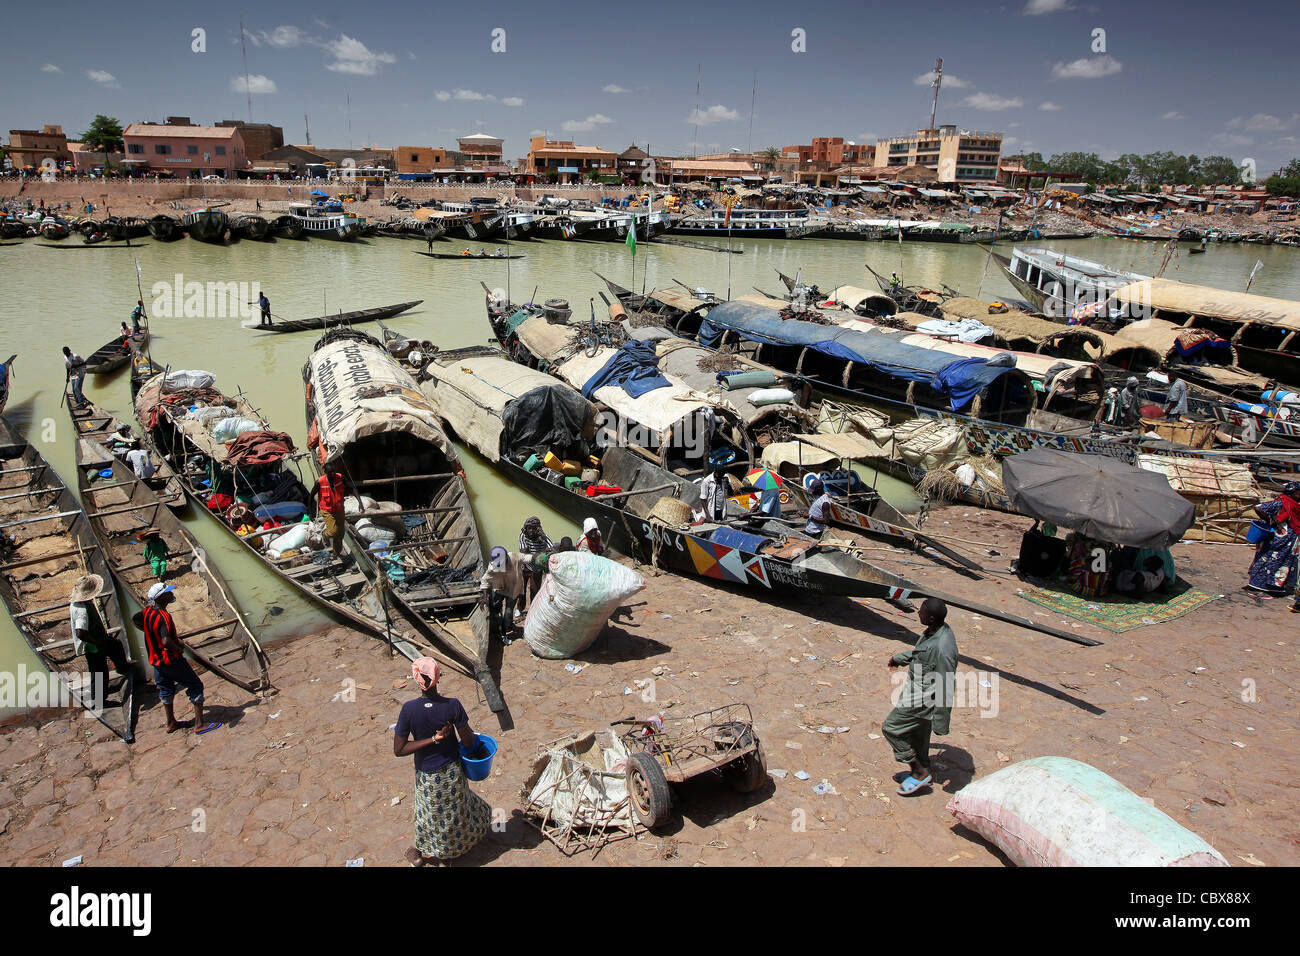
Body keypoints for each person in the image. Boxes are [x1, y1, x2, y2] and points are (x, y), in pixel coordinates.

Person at [393, 657, 491, 866]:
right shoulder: (452, 706)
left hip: (427, 777)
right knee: (457, 810)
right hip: (452, 772)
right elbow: (467, 739)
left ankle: (421, 853)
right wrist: (475, 742)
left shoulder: (409, 710)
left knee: (429, 815)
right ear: (438, 678)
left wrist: (429, 740)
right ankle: (458, 847)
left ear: (416, 679)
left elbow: (399, 750)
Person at [883, 597, 958, 797]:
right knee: (919, 734)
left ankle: (918, 771)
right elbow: (922, 653)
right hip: (917, 690)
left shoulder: (943, 648)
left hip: (923, 698)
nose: (918, 613)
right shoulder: (935, 631)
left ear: (931, 618)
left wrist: (942, 720)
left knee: (891, 728)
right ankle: (922, 769)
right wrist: (900, 658)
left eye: (922, 612)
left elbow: (947, 683)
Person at [140, 583, 219, 734]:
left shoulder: (147, 612)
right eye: (168, 593)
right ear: (162, 597)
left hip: (156, 661)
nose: (172, 594)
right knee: (196, 686)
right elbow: (165, 641)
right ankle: (199, 724)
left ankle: (171, 722)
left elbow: (136, 620)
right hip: (170, 660)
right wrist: (178, 648)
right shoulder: (164, 616)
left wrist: (152, 634)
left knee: (166, 688)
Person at [68, 574, 129, 714]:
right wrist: (97, 642)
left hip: (99, 638)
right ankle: (99, 702)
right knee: (99, 672)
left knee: (116, 646)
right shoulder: (81, 610)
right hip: (92, 645)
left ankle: (123, 669)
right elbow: (80, 633)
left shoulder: (82, 604)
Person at [1247, 482, 1300, 595]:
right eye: (1298, 493)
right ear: (1292, 493)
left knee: (1273, 559)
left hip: (1286, 537)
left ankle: (1263, 584)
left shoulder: (1292, 503)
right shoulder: (1283, 502)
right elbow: (1260, 508)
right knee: (1274, 560)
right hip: (1281, 538)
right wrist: (1271, 521)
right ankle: (1265, 584)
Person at [310, 471, 347, 556]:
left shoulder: (340, 477)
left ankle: (336, 553)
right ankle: (324, 534)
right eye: (330, 473)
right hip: (327, 510)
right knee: (333, 531)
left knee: (340, 533)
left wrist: (359, 502)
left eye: (334, 473)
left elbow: (351, 488)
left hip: (339, 509)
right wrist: (310, 512)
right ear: (326, 473)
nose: (333, 475)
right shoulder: (320, 482)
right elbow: (311, 496)